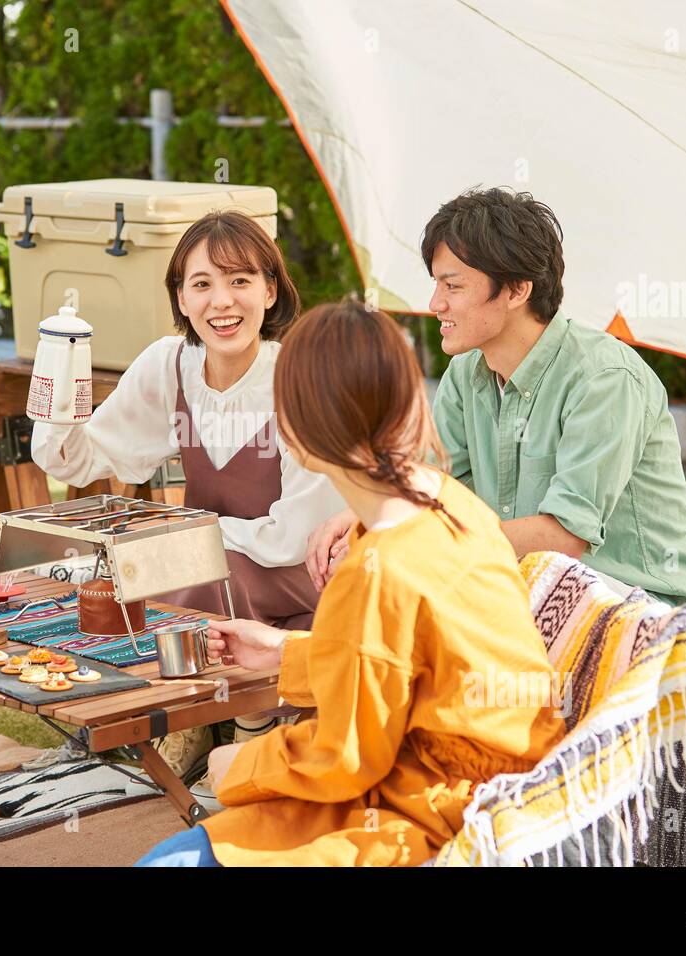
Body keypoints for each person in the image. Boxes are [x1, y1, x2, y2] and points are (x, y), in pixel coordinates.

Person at [136, 297, 565, 866]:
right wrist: (287, 653)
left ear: (297, 428)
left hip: (427, 817)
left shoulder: (378, 566)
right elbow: (404, 666)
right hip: (497, 787)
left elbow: (347, 757)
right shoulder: (449, 504)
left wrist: (242, 766)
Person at [31, 211, 346, 786]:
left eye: (240, 281)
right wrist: (58, 395)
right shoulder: (169, 365)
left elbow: (292, 536)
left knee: (192, 562)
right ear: (180, 296)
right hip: (212, 563)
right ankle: (177, 718)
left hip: (297, 573)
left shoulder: (302, 379)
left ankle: (245, 722)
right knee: (128, 568)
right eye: (201, 284)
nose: (220, 302)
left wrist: (177, 535)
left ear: (270, 290)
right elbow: (83, 458)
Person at [306, 188, 686, 612]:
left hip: (642, 606)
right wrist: (361, 517)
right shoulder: (466, 374)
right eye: (436, 284)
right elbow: (430, 490)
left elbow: (563, 538)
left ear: (517, 290)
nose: (436, 304)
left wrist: (401, 540)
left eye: (453, 286)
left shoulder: (605, 379)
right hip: (522, 586)